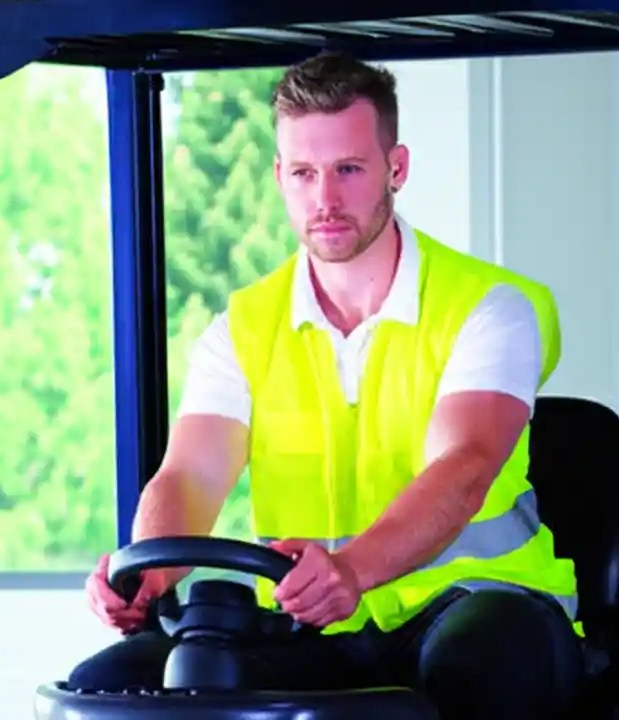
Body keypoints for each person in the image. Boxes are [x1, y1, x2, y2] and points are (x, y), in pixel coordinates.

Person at [72, 51, 584, 719]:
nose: (326, 200)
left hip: (475, 604)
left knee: (481, 661)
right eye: (306, 174)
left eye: (348, 170)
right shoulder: (245, 327)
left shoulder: (489, 308)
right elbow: (190, 477)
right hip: (310, 619)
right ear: (281, 176)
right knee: (113, 683)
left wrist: (352, 571)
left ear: (394, 170)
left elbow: (463, 469)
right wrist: (149, 574)